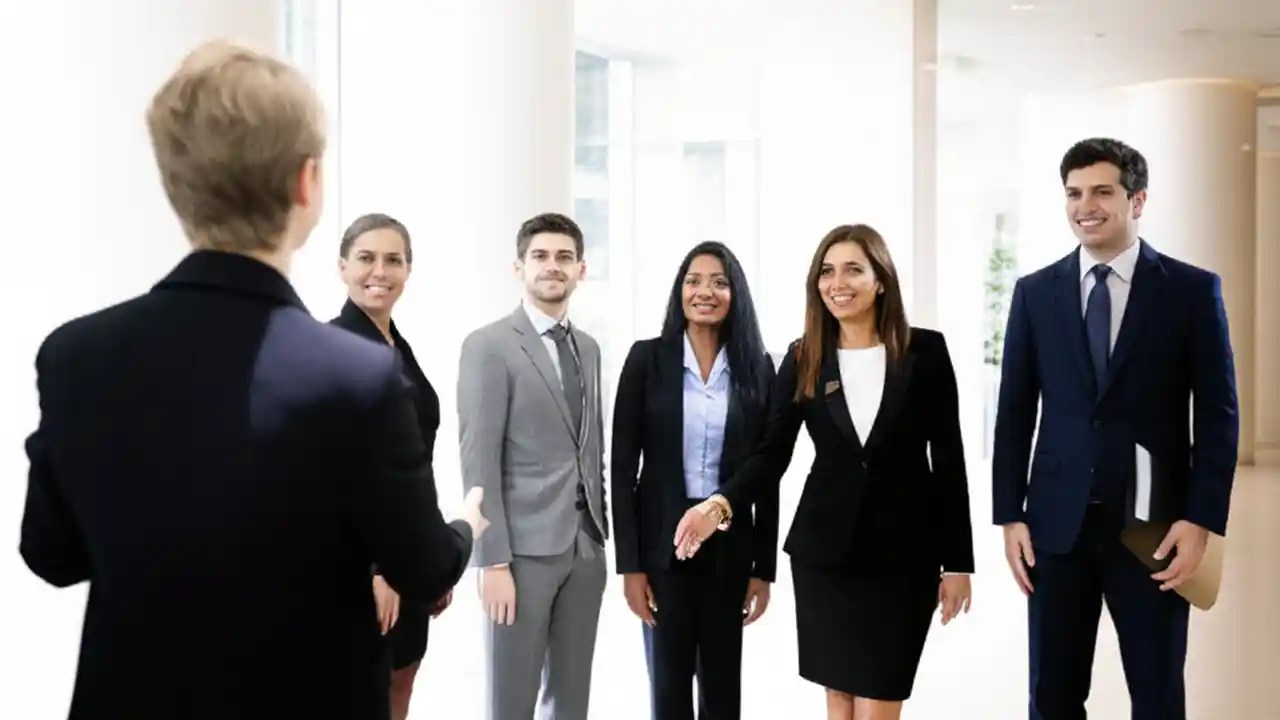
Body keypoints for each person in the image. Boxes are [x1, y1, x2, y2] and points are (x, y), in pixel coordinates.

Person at [17, 41, 486, 719]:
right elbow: (421, 565)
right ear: (307, 185)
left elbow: (52, 555)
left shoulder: (76, 354)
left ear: (173, 183)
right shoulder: (355, 375)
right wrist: (464, 527)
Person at [674, 224, 975, 720]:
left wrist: (957, 562)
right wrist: (718, 504)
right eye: (827, 271)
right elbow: (772, 454)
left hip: (904, 556)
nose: (839, 282)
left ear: (881, 279)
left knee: (881, 696)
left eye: (854, 269)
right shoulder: (803, 357)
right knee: (838, 699)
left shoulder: (926, 353)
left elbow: (948, 462)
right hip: (825, 553)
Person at [992, 137, 1239, 720]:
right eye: (1074, 193)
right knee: (1052, 696)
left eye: (1102, 191)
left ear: (1138, 199)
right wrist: (1010, 513)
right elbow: (1014, 411)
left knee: (1156, 694)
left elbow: (1218, 413)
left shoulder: (1191, 291)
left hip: (1152, 526)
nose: (1086, 206)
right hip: (1055, 525)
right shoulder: (1035, 293)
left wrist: (1201, 518)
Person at [611, 241, 780, 720]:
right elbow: (623, 469)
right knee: (667, 689)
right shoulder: (646, 361)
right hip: (662, 549)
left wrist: (762, 568)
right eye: (693, 281)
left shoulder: (757, 369)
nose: (704, 291)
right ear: (679, 291)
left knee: (723, 692)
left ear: (735, 295)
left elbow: (767, 472)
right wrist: (630, 567)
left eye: (719, 282)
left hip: (729, 548)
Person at [457, 212, 610, 720]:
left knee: (571, 704)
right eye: (541, 256)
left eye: (564, 257)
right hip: (520, 555)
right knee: (512, 702)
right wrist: (491, 560)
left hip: (584, 551)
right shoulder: (489, 346)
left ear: (581, 269)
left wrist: (600, 532)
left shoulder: (587, 348)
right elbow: (479, 460)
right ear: (518, 266)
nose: (553, 266)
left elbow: (590, 451)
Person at [330, 212, 453, 720]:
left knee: (400, 686)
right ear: (342, 267)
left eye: (393, 260)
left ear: (408, 270)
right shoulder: (332, 347)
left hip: (407, 559)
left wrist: (433, 556)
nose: (379, 271)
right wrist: (376, 570)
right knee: (359, 694)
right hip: (359, 572)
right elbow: (337, 475)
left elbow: (415, 465)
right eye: (366, 258)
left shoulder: (398, 347)